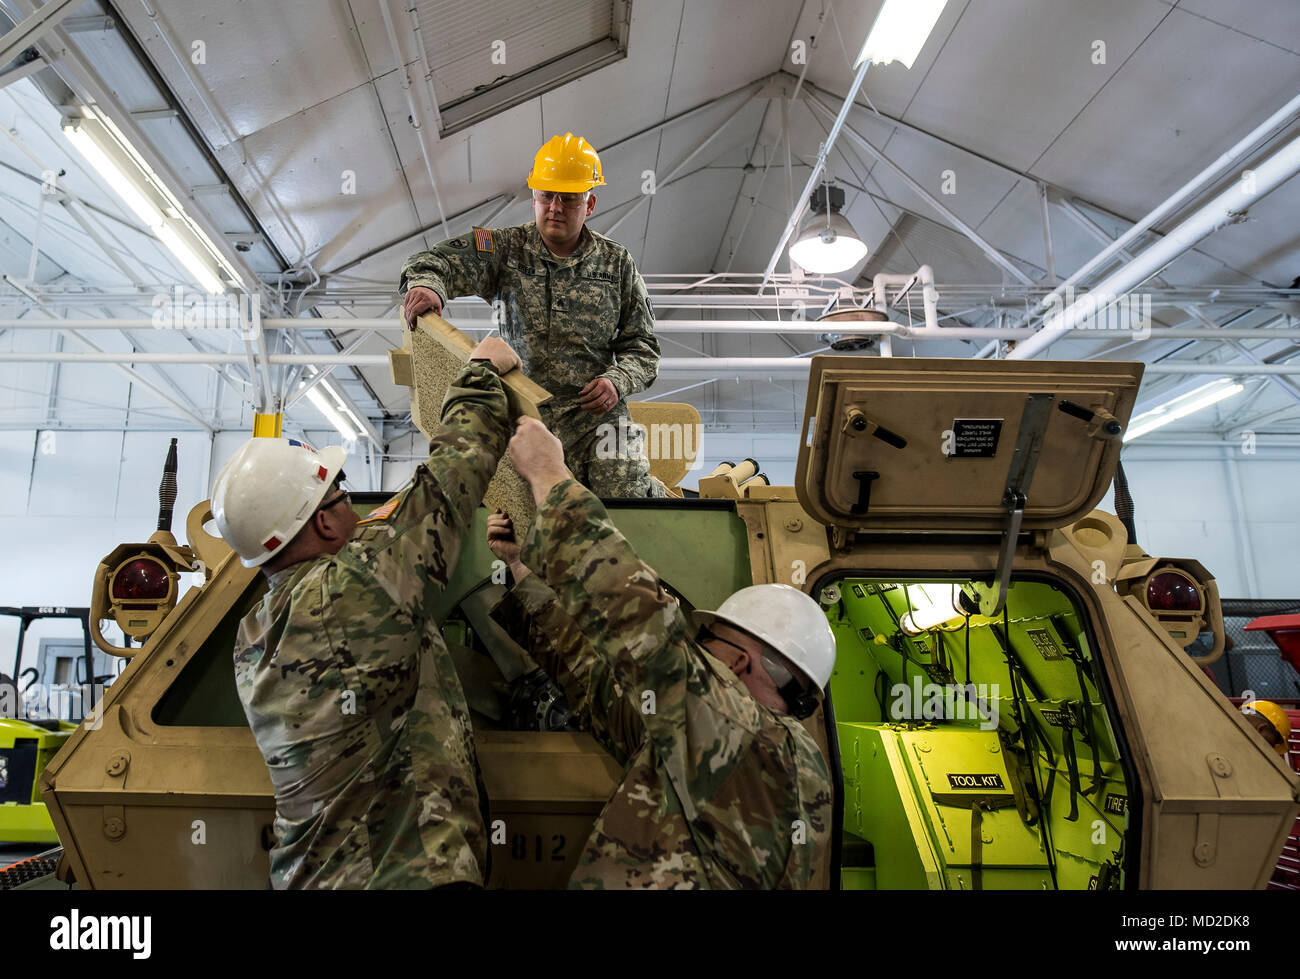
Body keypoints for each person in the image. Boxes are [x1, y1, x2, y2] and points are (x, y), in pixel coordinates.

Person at [209, 338, 521, 889]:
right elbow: (448, 485)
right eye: (340, 496)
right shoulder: (348, 591)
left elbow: (387, 529)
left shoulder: (256, 633)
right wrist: (479, 375)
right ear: (326, 525)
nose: (352, 509)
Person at [485, 416, 836, 888]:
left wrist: (549, 475)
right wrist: (521, 571)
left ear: (739, 662)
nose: (697, 652)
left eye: (707, 644)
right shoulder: (712, 748)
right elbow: (599, 688)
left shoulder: (760, 745)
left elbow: (640, 617)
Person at [399, 132, 664, 498]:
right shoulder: (505, 249)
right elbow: (434, 260)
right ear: (534, 198)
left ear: (589, 204)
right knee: (518, 514)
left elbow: (643, 348)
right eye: (545, 196)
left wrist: (617, 380)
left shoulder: (616, 263)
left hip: (596, 419)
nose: (555, 207)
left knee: (626, 498)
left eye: (568, 199)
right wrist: (429, 285)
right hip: (524, 414)